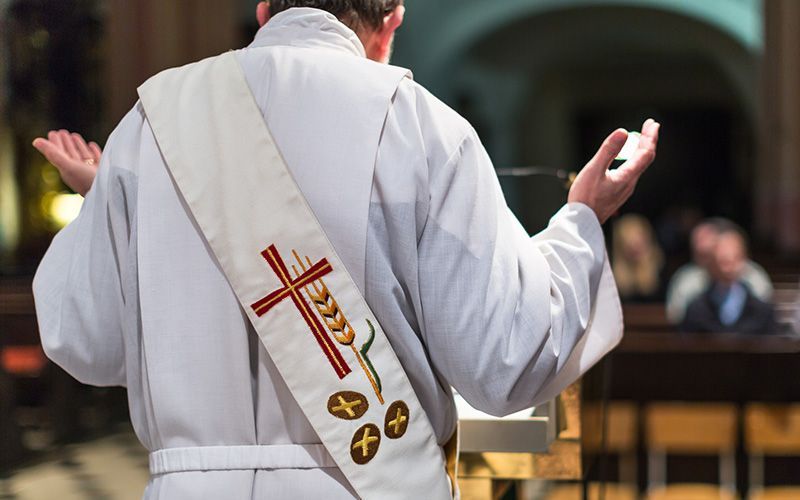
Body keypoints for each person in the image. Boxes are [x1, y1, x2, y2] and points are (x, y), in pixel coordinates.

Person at [31, 1, 659, 498]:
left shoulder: (150, 125)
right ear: (391, 23)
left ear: (264, 9)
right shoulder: (422, 126)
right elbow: (504, 361)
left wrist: (126, 199)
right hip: (362, 485)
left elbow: (85, 338)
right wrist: (581, 218)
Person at [666, 218, 772, 324]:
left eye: (731, 259)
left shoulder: (754, 278)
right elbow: (677, 317)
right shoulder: (688, 282)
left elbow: (764, 311)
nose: (728, 269)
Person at [681, 229, 776, 334]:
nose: (729, 268)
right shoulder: (697, 309)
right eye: (723, 261)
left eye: (735, 260)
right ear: (712, 263)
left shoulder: (761, 311)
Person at [611, 214, 664, 302]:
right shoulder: (610, 278)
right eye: (630, 245)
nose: (636, 249)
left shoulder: (661, 271)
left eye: (639, 243)